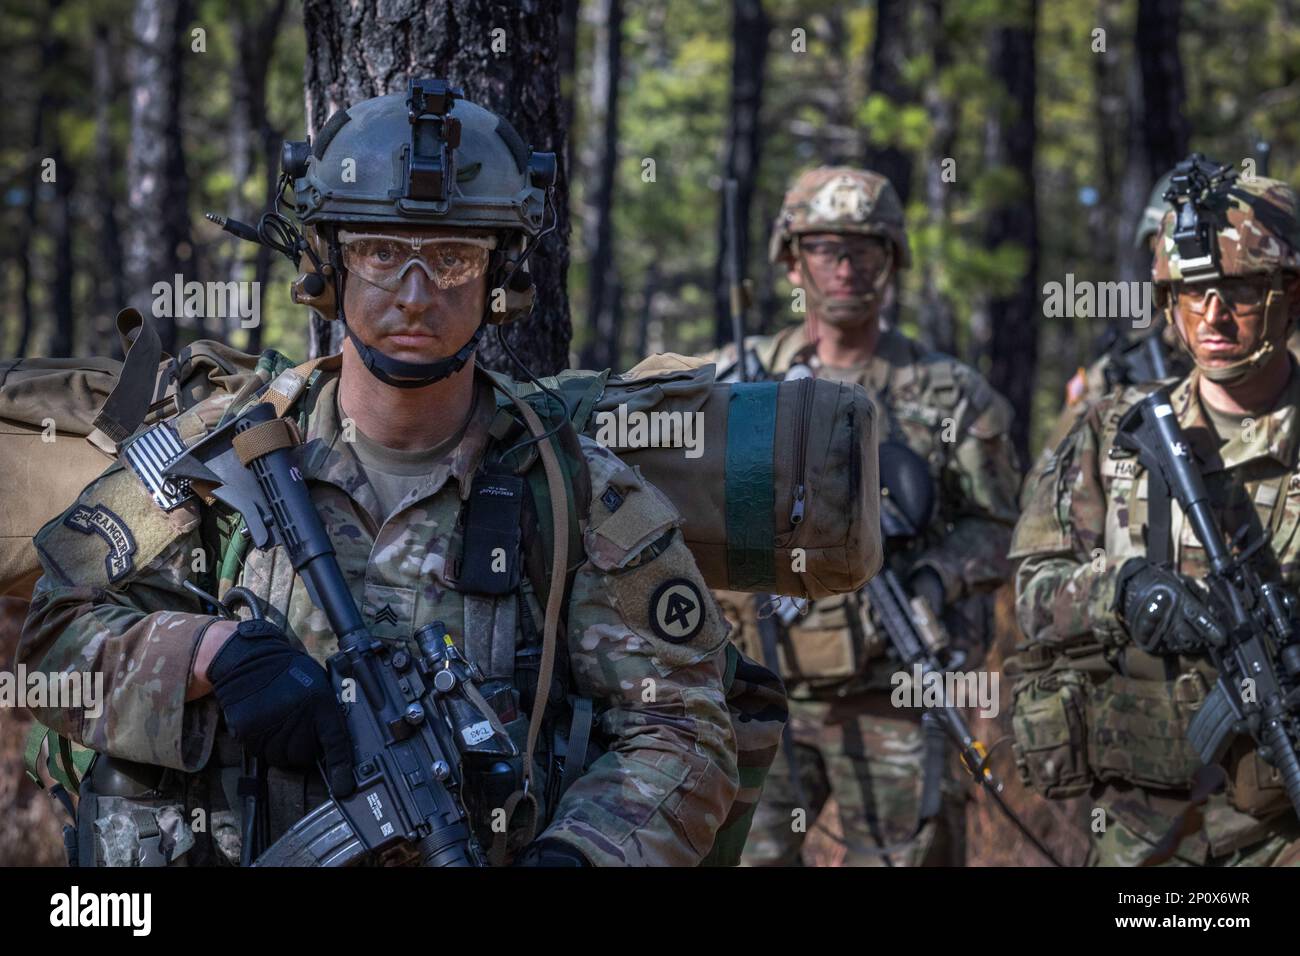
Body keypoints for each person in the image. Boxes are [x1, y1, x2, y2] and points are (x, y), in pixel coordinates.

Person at [19, 80, 741, 867]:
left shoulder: (573, 495)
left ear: (499, 280)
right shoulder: (211, 457)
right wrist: (207, 656)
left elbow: (683, 724)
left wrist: (582, 854)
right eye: (380, 252)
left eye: (455, 260)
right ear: (328, 265)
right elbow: (51, 643)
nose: (415, 294)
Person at [705, 166, 1021, 865]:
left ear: (893, 258)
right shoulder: (735, 378)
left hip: (890, 690)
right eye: (825, 248)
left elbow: (1003, 528)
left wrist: (933, 581)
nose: (846, 266)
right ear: (793, 257)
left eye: (866, 248)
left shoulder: (949, 395)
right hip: (758, 685)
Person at [1010, 159, 1300, 866]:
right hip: (1141, 827)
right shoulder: (1110, 431)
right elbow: (1031, 592)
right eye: (1191, 291)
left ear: (1288, 293)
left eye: (1238, 289)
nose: (1213, 314)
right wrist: (1123, 593)